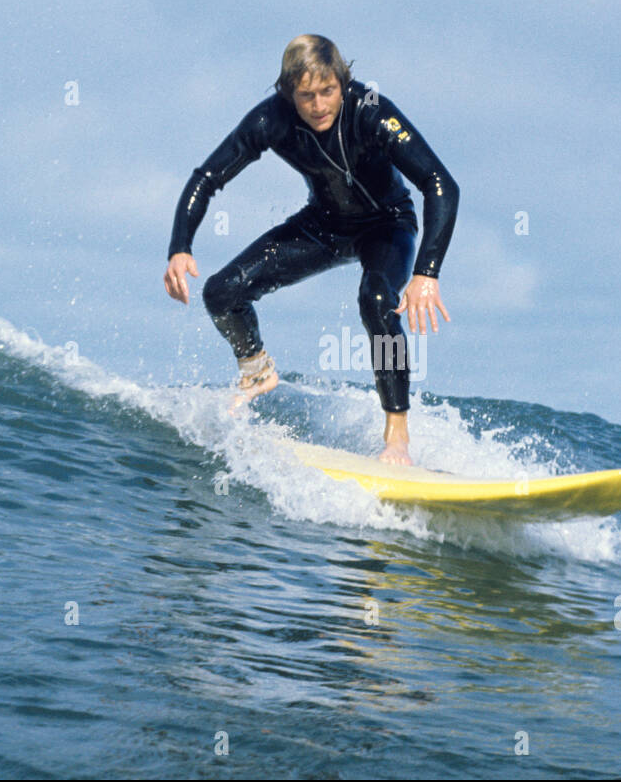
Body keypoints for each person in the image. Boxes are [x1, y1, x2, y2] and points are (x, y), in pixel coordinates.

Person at [163, 34, 459, 465]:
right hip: (324, 225)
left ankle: (397, 436)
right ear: (288, 93)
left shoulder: (371, 109)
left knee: (376, 300)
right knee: (221, 292)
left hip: (387, 225)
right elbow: (207, 177)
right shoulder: (271, 120)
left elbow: (440, 184)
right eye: (306, 96)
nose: (319, 105)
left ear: (343, 81)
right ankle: (256, 370)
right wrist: (179, 246)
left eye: (328, 91)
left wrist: (427, 272)